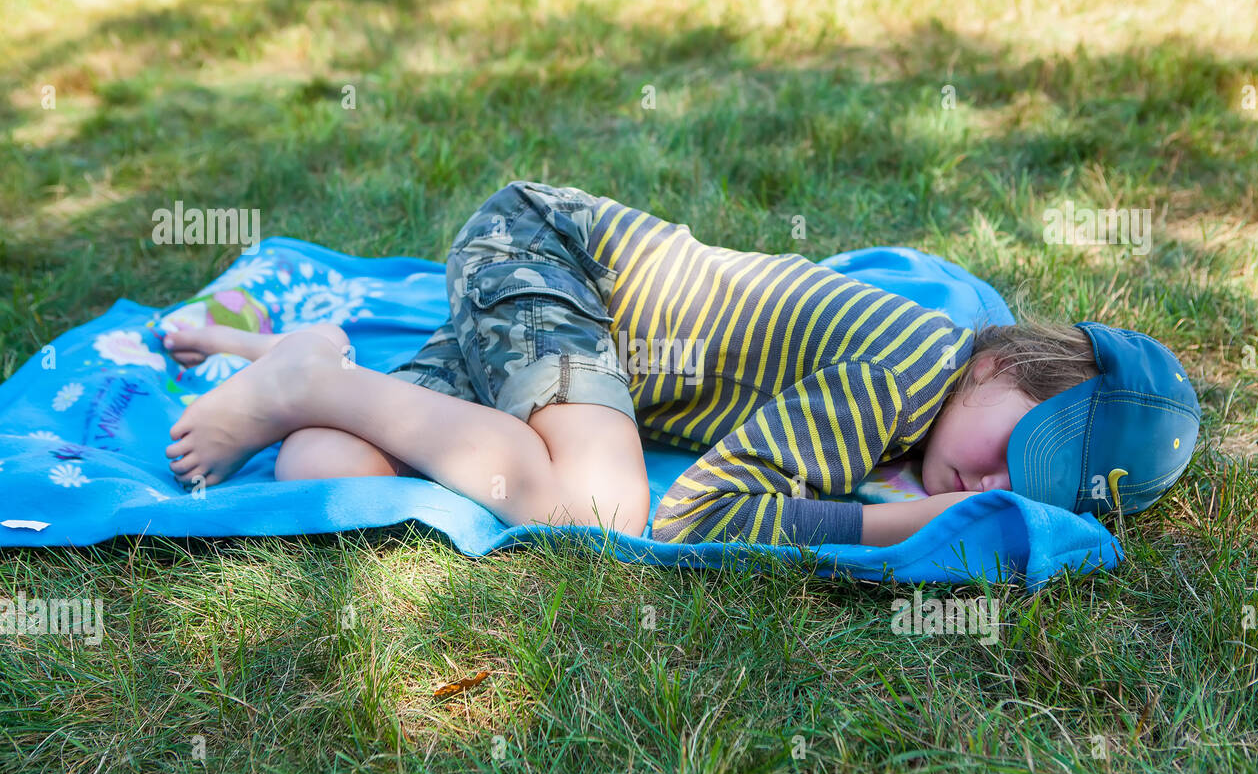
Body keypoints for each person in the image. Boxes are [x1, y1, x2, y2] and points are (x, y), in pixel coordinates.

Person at [160, 181, 1201, 547]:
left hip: (573, 322)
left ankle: (302, 356)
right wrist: (903, 520)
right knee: (603, 503)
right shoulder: (905, 371)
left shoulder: (932, 413)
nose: (987, 485)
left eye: (1029, 486)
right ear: (994, 363)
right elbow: (702, 510)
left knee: (321, 471)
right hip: (551, 254)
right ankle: (305, 379)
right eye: (1011, 446)